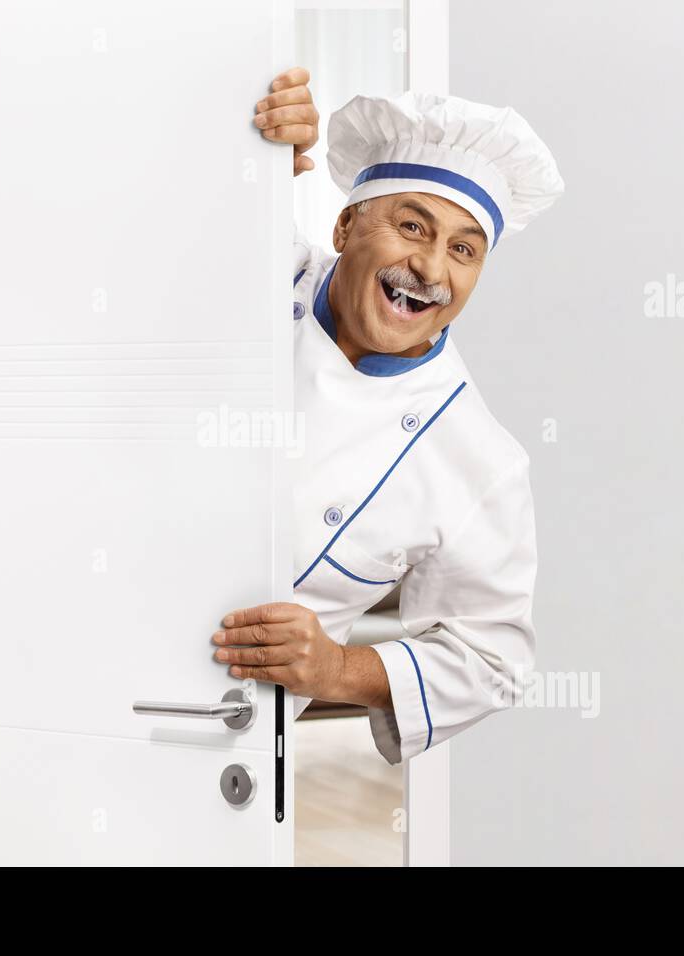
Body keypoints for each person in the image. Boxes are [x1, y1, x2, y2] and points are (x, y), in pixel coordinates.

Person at [214, 69, 564, 765]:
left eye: (464, 250)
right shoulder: (252, 269)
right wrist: (254, 146)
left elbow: (493, 661)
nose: (431, 268)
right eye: (412, 226)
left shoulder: (476, 456)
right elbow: (164, 211)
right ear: (345, 224)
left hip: (221, 736)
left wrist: (335, 671)